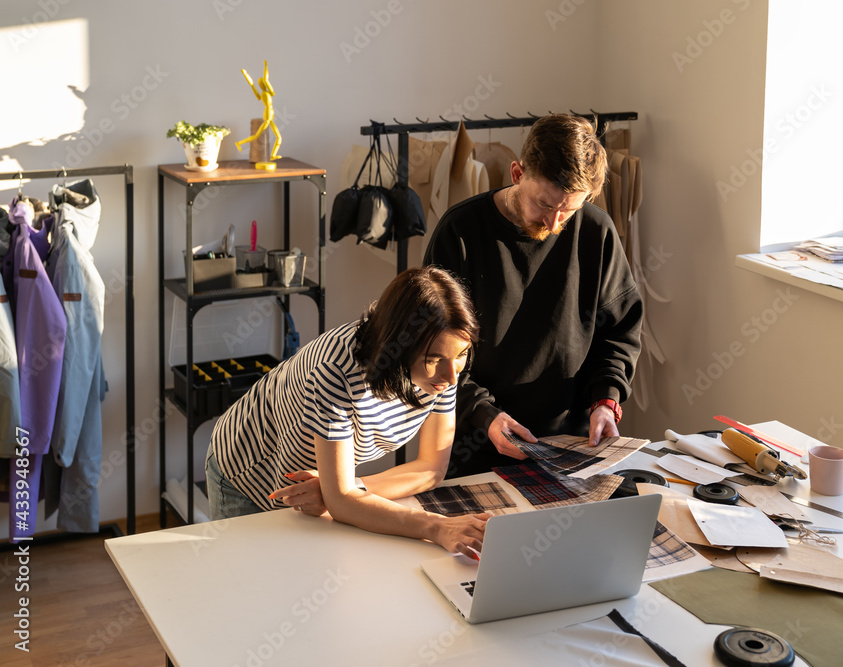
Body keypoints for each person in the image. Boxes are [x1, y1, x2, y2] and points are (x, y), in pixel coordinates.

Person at [205, 267, 488, 559]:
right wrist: (437, 527)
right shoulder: (336, 370)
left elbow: (431, 468)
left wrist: (345, 488)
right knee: (250, 585)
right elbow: (341, 502)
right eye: (434, 360)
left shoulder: (443, 366)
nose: (452, 377)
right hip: (250, 471)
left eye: (462, 354)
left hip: (313, 490)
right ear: (400, 346)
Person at [423, 114, 643, 478]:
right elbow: (432, 353)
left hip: (571, 444)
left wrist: (606, 400)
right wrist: (483, 414)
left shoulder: (596, 231)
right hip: (475, 442)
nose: (554, 224)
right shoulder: (460, 233)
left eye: (569, 210)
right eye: (544, 204)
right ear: (517, 173)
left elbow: (618, 334)